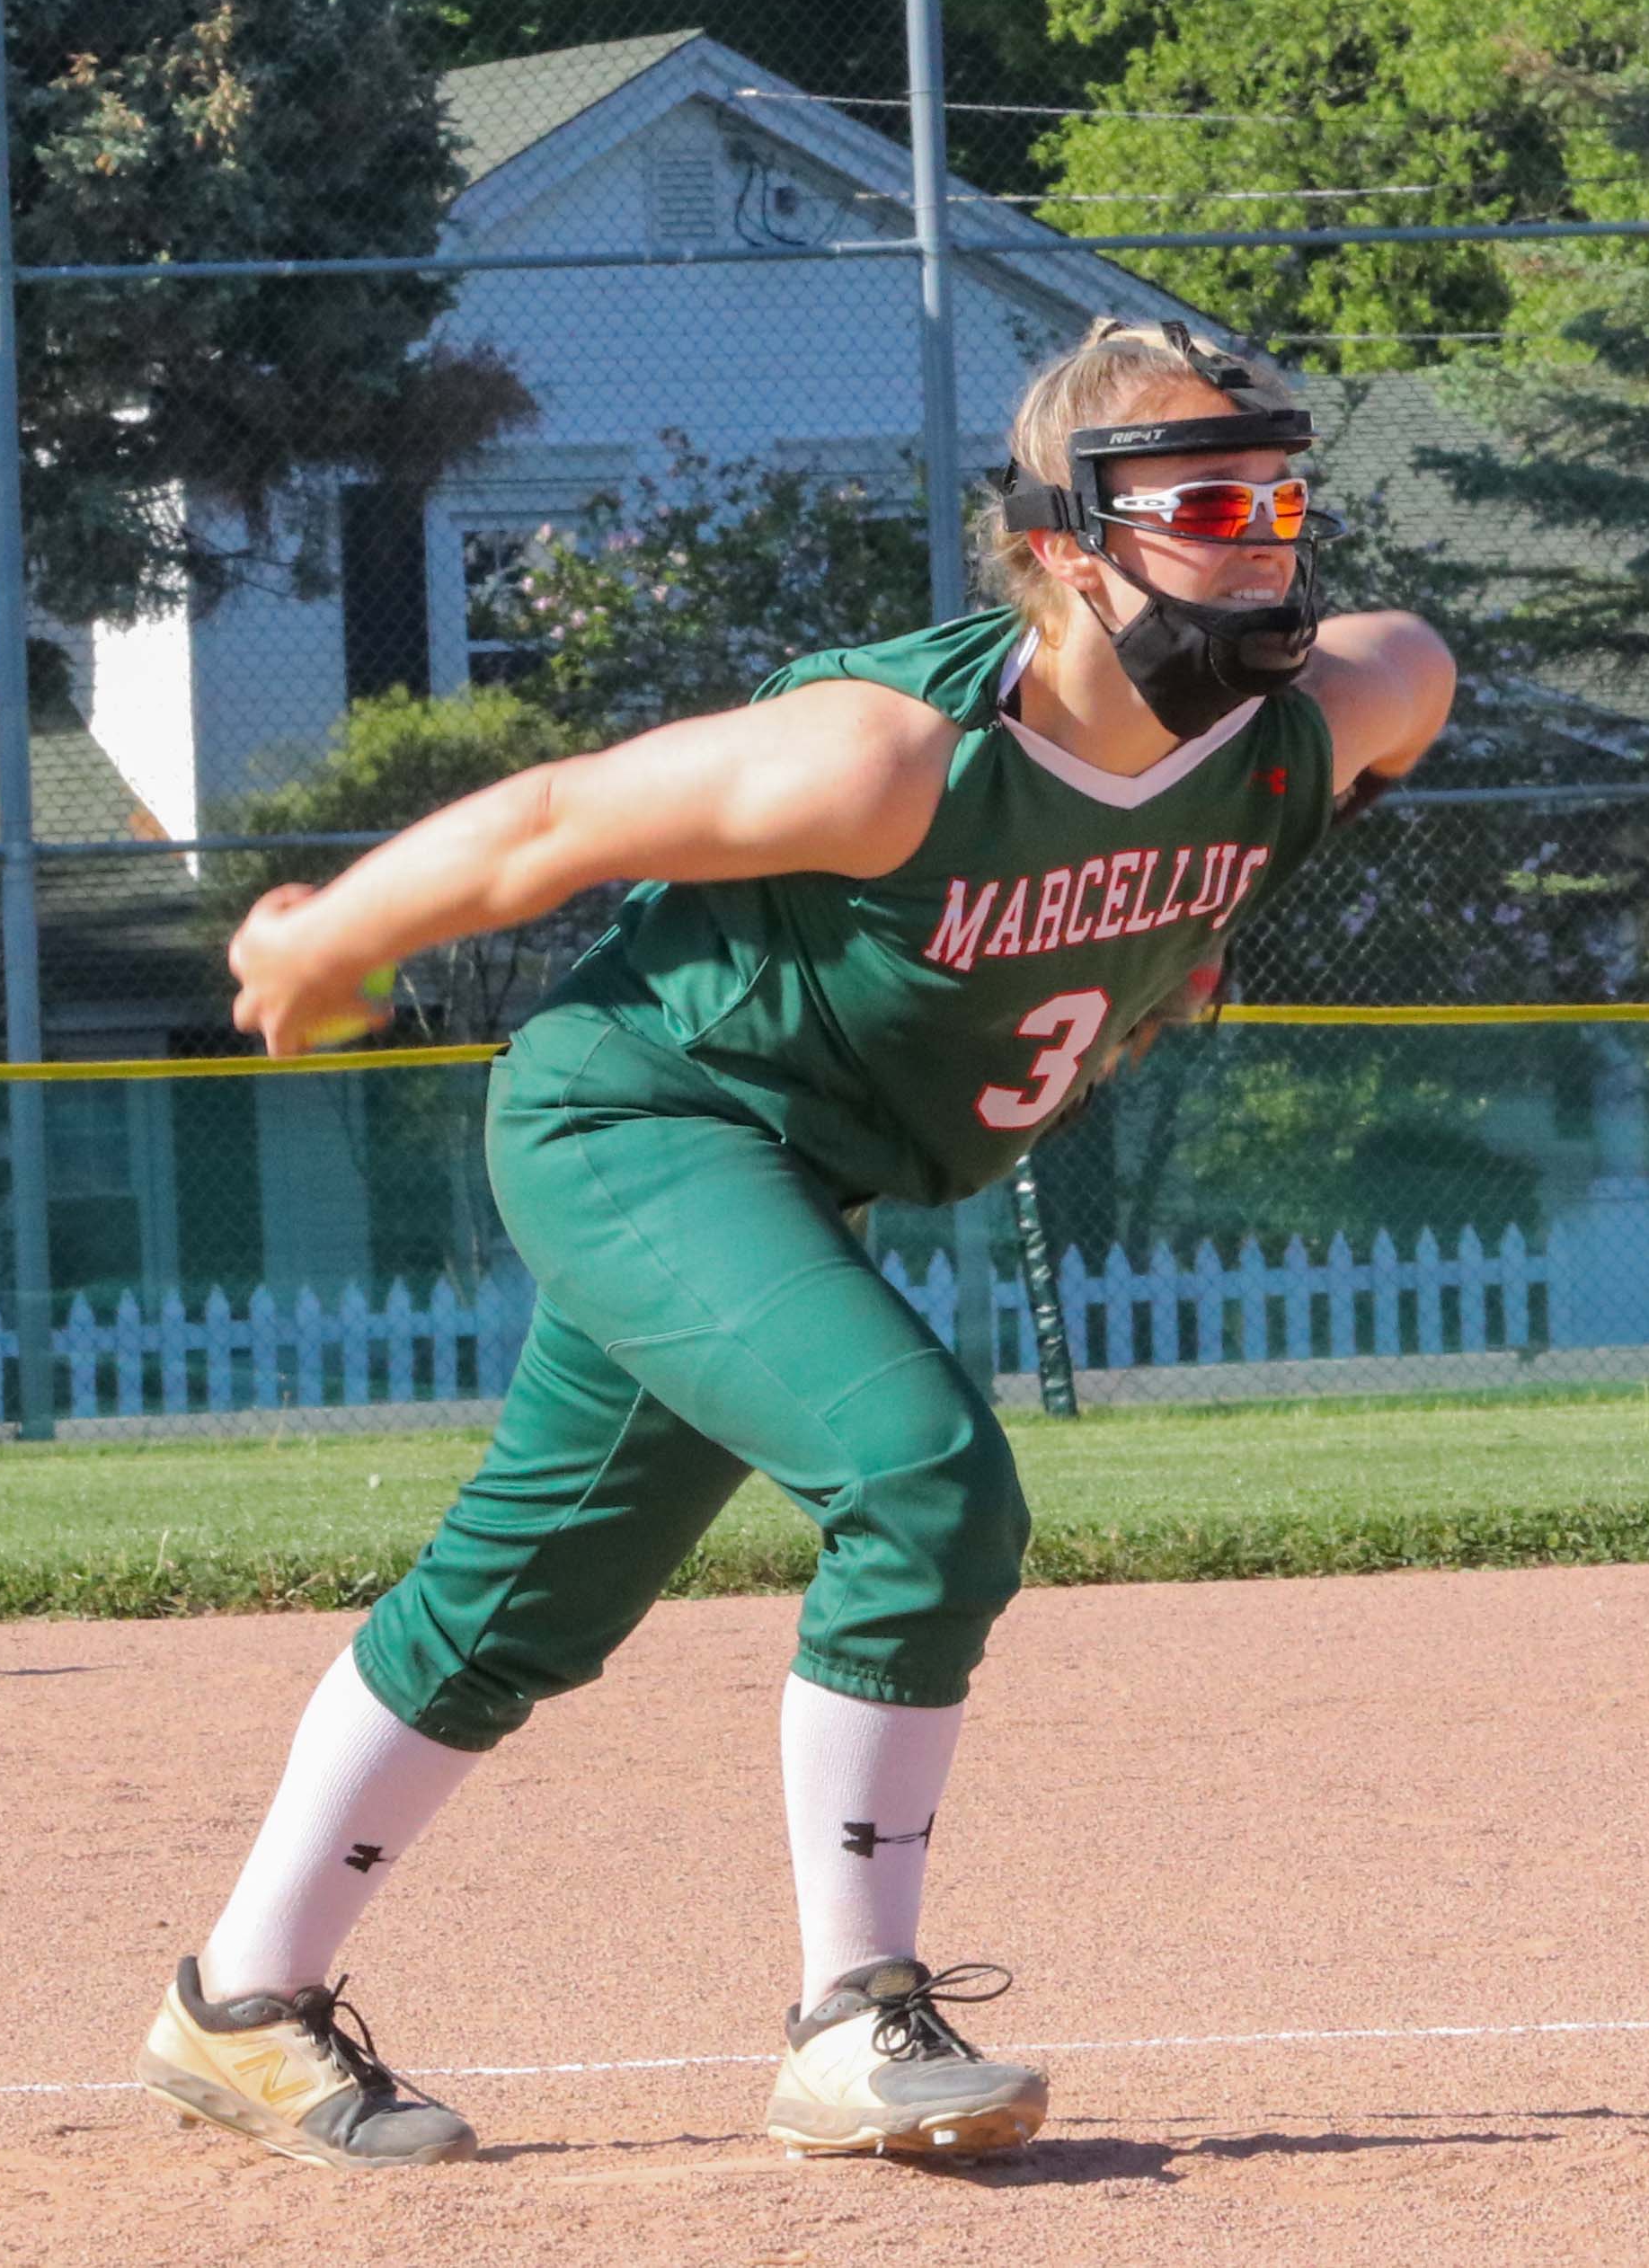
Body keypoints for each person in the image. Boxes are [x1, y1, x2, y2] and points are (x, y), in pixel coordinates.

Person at [135, 320, 1456, 2167]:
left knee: (528, 1597)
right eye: (1208, 506)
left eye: (1284, 501)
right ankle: (855, 2018)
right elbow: (548, 826)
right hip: (637, 1128)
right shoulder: (885, 756)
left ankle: (240, 2005)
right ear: (1070, 546)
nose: (1268, 544)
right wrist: (319, 944)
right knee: (924, 1479)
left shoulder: (1346, 703)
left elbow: (1355, 740)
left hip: (786, 1177)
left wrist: (1191, 934)